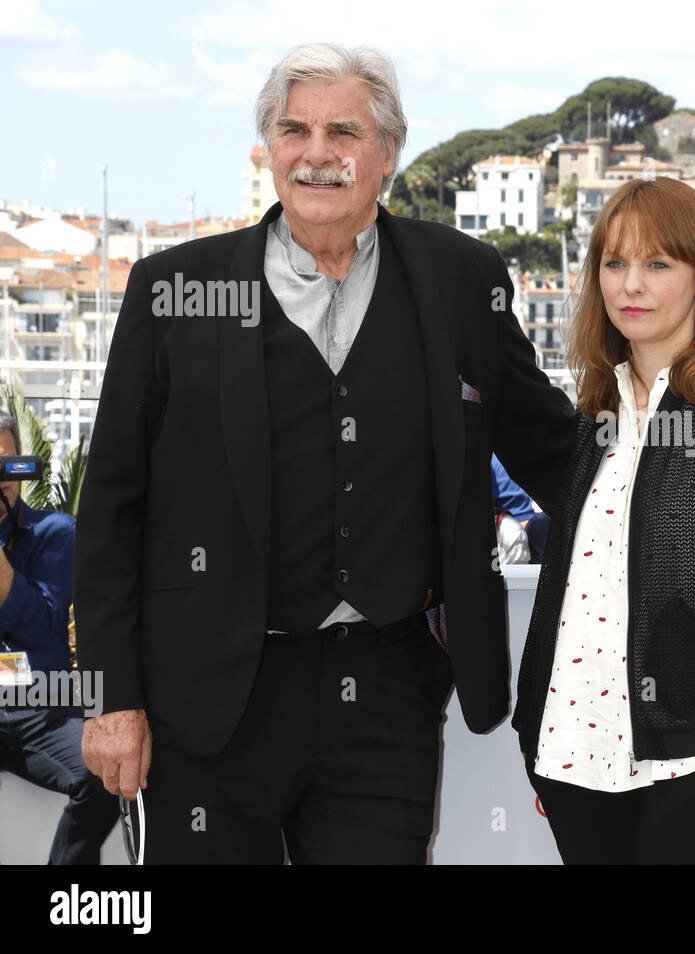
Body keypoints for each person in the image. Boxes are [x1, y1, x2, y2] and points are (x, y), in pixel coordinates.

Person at [74, 43, 575, 864]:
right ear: (268, 149)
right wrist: (111, 699)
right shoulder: (172, 291)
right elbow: (109, 514)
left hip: (386, 691)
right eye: (293, 129)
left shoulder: (460, 280)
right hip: (205, 699)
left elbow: (553, 449)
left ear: (387, 154)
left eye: (343, 130)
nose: (316, 154)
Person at [512, 176, 695, 864]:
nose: (631, 285)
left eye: (657, 264)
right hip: (570, 756)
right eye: (614, 264)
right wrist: (534, 730)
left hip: (691, 766)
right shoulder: (598, 413)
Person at [0, 414, 119, 864]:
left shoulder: (56, 534)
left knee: (102, 778)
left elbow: (43, 625)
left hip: (43, 706)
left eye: (6, 465)